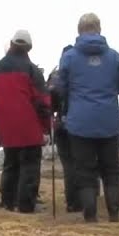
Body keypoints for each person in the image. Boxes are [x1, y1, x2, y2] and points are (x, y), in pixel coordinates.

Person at [57, 13, 119, 222]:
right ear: (99, 29)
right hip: (109, 119)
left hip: (80, 121)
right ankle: (114, 213)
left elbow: (61, 88)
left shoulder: (69, 57)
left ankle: (90, 215)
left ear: (79, 30)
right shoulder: (114, 56)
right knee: (111, 167)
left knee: (84, 168)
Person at [0, 30, 52, 214]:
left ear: (12, 43)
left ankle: (7, 202)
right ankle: (25, 205)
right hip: (29, 126)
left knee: (10, 164)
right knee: (29, 166)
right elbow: (42, 101)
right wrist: (46, 128)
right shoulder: (31, 70)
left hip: (5, 126)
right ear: (29, 48)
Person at [48, 46, 83, 213]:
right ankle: (86, 199)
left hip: (62, 124)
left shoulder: (55, 77)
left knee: (68, 164)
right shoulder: (83, 75)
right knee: (83, 162)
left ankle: (72, 201)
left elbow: (50, 103)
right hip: (81, 123)